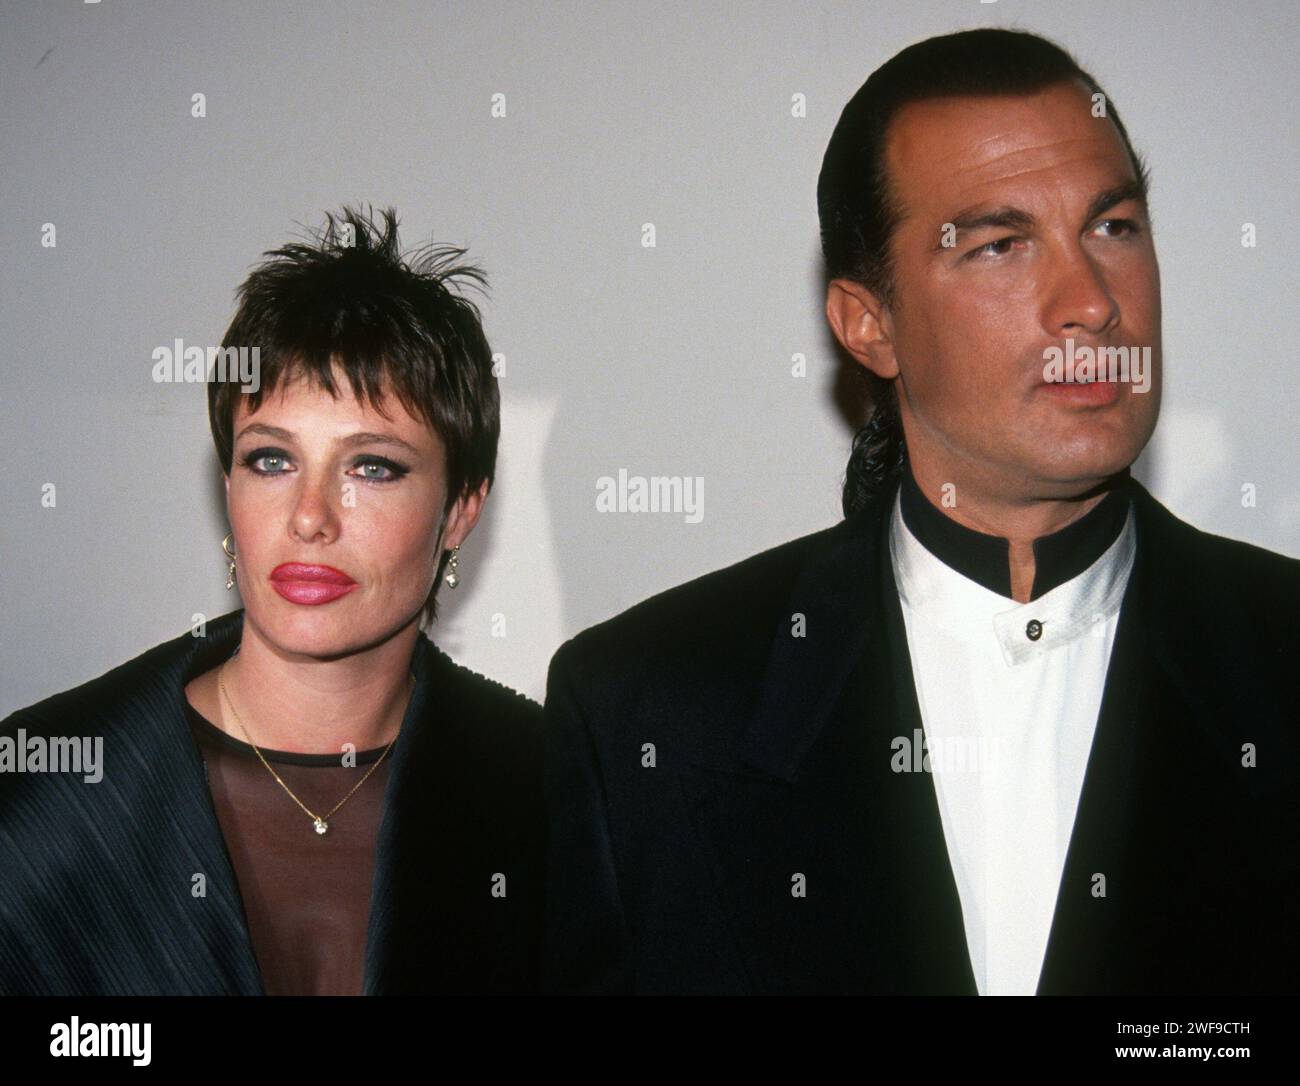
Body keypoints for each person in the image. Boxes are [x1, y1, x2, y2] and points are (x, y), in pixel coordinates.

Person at [541, 29, 1299, 994]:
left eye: (1113, 227)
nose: (1092, 303)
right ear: (869, 323)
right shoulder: (650, 713)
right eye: (1000, 245)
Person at [0, 206, 544, 995]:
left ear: (461, 509)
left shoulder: (542, 794)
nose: (311, 517)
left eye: (373, 468)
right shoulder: (42, 798)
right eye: (271, 460)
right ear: (228, 487)